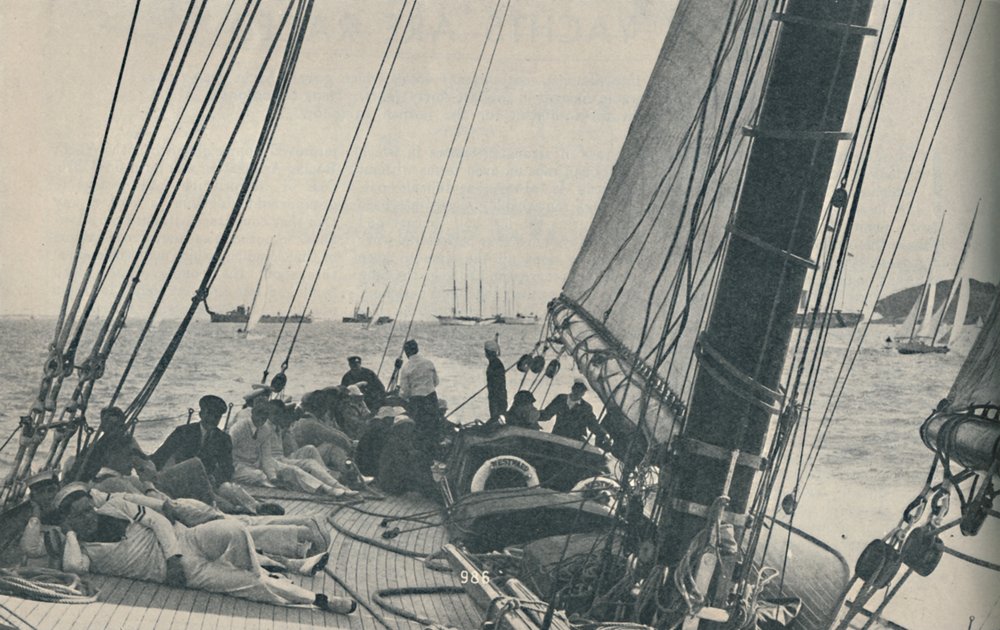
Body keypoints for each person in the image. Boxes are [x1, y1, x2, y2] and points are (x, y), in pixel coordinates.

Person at [53, 483, 355, 614]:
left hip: (186, 542)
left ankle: (266, 572)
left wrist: (173, 558)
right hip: (188, 572)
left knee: (234, 529)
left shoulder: (117, 506)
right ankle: (319, 599)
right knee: (249, 585)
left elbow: (159, 522)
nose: (88, 517)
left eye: (88, 509)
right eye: (79, 515)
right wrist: (70, 533)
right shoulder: (84, 550)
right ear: (67, 520)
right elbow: (72, 568)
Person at [151, 395, 235, 486]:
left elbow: (227, 469)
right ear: (201, 414)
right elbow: (161, 455)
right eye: (209, 414)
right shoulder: (183, 432)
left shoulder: (223, 439)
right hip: (179, 480)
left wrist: (215, 480)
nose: (212, 419)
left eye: (216, 417)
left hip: (205, 483)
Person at [69, 407, 150, 482]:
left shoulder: (128, 441)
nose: (114, 429)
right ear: (103, 427)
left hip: (120, 479)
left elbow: (143, 463)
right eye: (110, 425)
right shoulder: (96, 447)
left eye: (116, 425)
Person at [539, 378, 612, 448]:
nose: (578, 393)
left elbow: (592, 424)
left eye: (581, 391)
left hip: (576, 441)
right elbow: (547, 414)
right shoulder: (561, 399)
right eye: (576, 389)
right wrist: (532, 415)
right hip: (558, 437)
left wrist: (604, 434)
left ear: (583, 393)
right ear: (572, 389)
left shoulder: (586, 407)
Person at [396, 339, 440, 453]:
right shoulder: (429, 363)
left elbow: (405, 392)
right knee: (432, 426)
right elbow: (436, 382)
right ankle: (432, 451)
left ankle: (419, 452)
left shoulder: (406, 368)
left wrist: (399, 396)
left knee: (418, 428)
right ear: (417, 349)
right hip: (431, 398)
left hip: (417, 401)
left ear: (406, 352)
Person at [484, 338, 507, 421]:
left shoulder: (495, 364)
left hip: (496, 395)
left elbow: (497, 382)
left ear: (487, 353)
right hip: (497, 394)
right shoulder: (495, 362)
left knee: (497, 417)